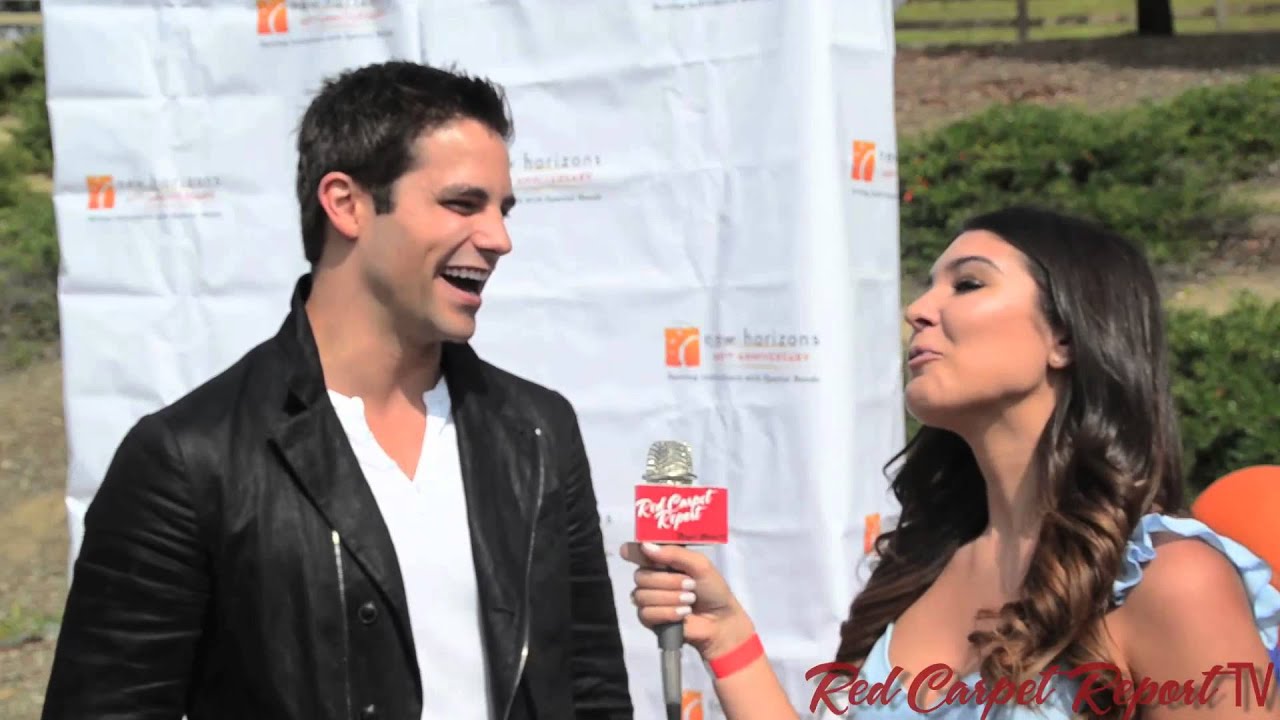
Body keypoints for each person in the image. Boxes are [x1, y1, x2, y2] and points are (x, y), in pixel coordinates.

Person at [42, 61, 633, 720]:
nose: (498, 239)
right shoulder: (189, 458)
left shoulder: (538, 430)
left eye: (502, 209)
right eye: (462, 203)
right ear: (347, 204)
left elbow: (592, 692)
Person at [622, 207, 1280, 719]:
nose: (918, 310)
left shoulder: (1169, 580)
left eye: (967, 284)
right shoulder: (922, 565)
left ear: (1066, 336)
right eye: (927, 286)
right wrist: (726, 635)